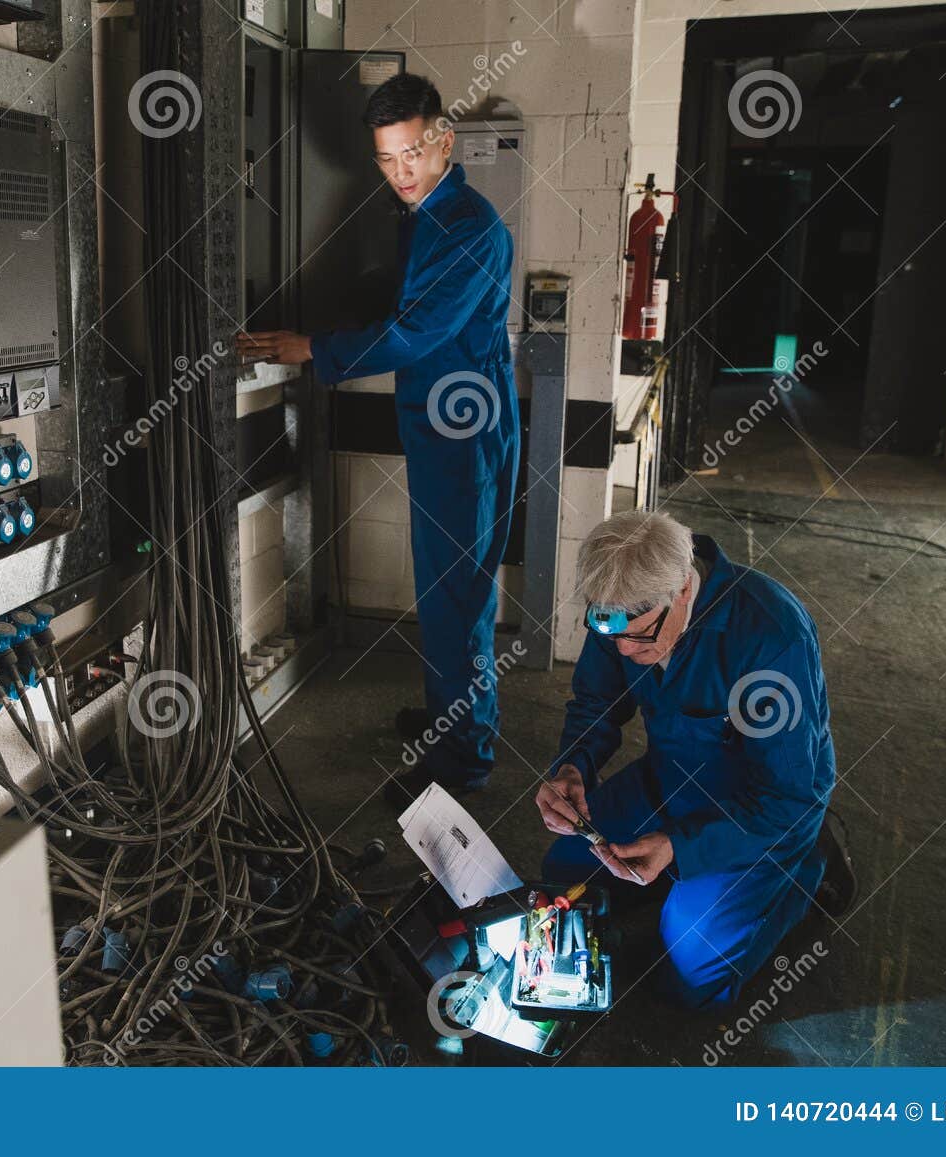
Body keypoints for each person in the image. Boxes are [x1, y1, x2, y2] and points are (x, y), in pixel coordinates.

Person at [236, 74, 518, 809]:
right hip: (440, 430)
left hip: (465, 439)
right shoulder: (424, 217)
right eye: (387, 159)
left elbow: (416, 331)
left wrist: (313, 347)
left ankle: (464, 758)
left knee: (457, 599)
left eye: (413, 154)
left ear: (444, 141)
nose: (401, 172)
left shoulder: (470, 227)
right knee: (444, 591)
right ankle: (453, 716)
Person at [535, 509, 855, 1010]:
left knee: (691, 976)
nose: (623, 649)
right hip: (672, 777)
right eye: (611, 635)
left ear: (683, 589)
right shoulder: (623, 610)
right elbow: (597, 702)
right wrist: (574, 766)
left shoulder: (770, 637)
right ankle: (677, 879)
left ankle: (806, 868)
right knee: (564, 873)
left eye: (639, 636)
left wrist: (680, 846)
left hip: (758, 814)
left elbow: (787, 797)